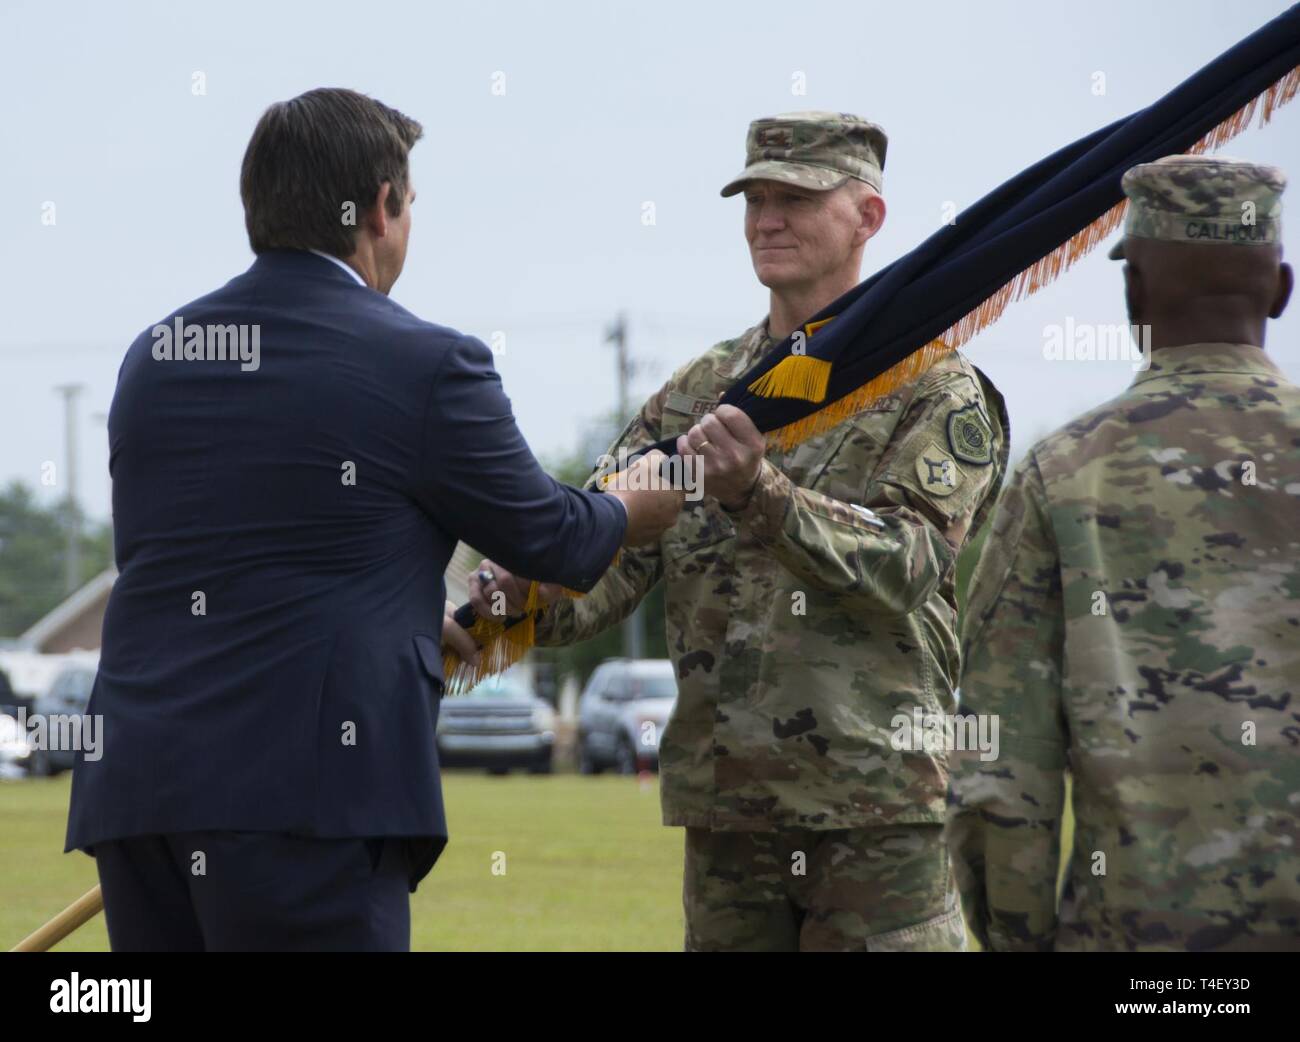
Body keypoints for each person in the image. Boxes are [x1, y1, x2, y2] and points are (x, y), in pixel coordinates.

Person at [64, 87, 683, 952]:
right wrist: (640, 499)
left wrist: (392, 614)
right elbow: (557, 539)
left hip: (139, 790)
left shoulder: (156, 357)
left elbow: (242, 557)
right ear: (382, 209)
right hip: (306, 805)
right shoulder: (427, 362)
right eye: (412, 205)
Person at [451, 111, 1008, 951]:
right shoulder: (702, 392)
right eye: (753, 198)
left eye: (795, 197)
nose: (766, 219)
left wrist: (759, 492)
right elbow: (608, 561)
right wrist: (497, 605)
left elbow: (908, 562)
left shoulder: (937, 390)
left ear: (868, 217)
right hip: (728, 815)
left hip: (877, 813)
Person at [946, 154, 1300, 951]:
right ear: (1281, 289)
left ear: (1132, 292)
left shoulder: (1061, 476)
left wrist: (1018, 939)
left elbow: (999, 773)